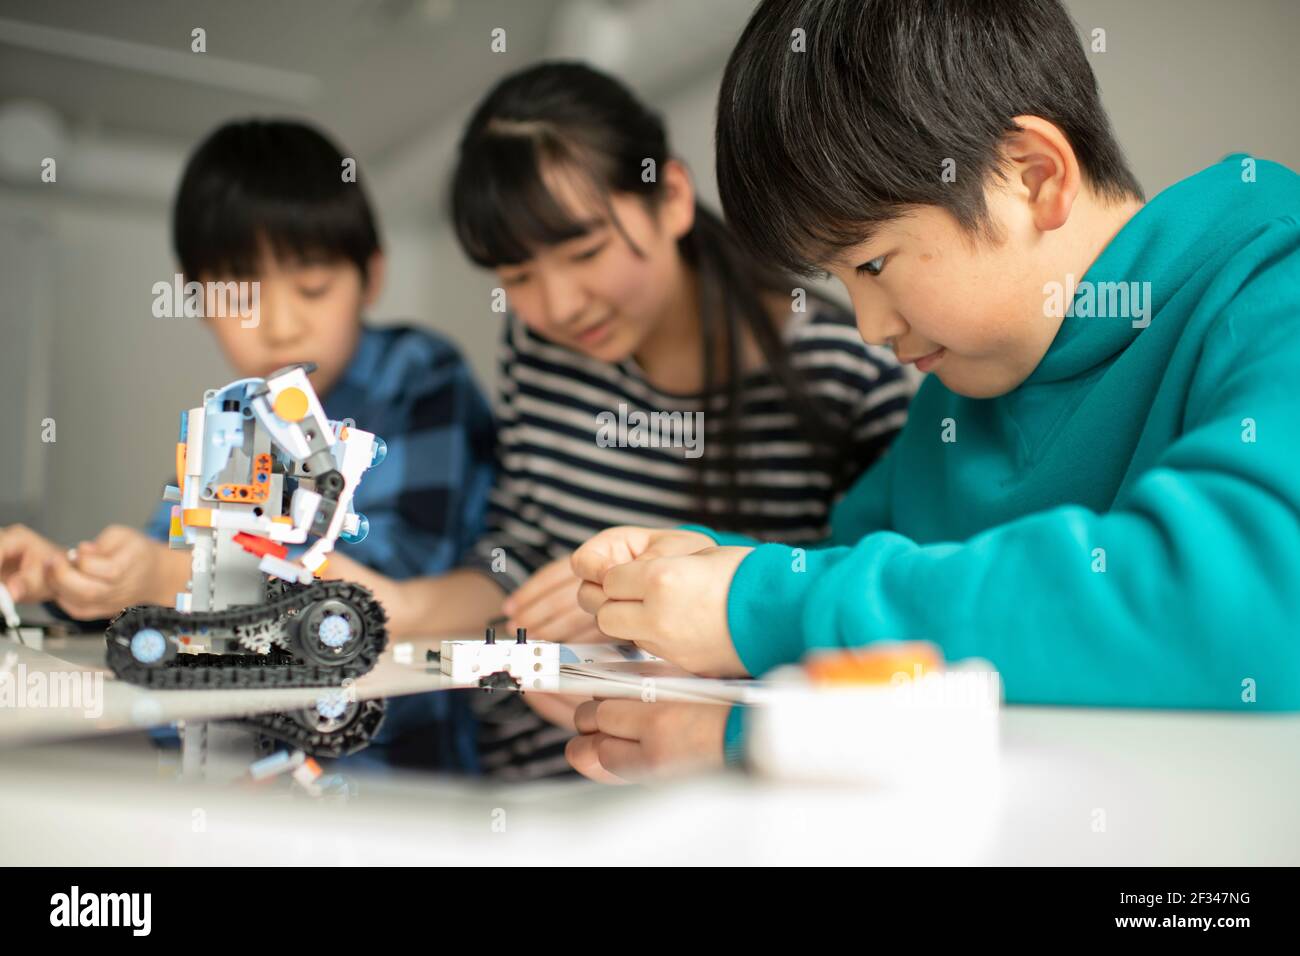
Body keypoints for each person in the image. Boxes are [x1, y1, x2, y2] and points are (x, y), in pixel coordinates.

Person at [567, 0, 1300, 783]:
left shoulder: (1268, 280)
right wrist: (706, 579)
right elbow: (855, 588)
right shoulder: (954, 396)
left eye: (874, 264)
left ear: (1033, 175)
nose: (869, 329)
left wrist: (756, 610)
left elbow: (1253, 606)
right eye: (840, 282)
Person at [343, 62, 914, 779]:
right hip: (529, 768)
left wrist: (631, 623)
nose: (558, 305)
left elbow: (862, 611)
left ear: (670, 198)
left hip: (719, 772)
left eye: (585, 253)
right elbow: (517, 546)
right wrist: (396, 605)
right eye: (517, 278)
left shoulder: (842, 371)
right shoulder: (542, 349)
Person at [0, 119, 496, 771]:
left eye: (312, 289)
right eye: (242, 295)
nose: (281, 325)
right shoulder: (235, 419)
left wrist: (164, 574)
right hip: (239, 771)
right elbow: (163, 564)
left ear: (370, 277)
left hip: (396, 772)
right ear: (195, 297)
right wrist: (77, 578)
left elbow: (382, 593)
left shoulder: (419, 375)